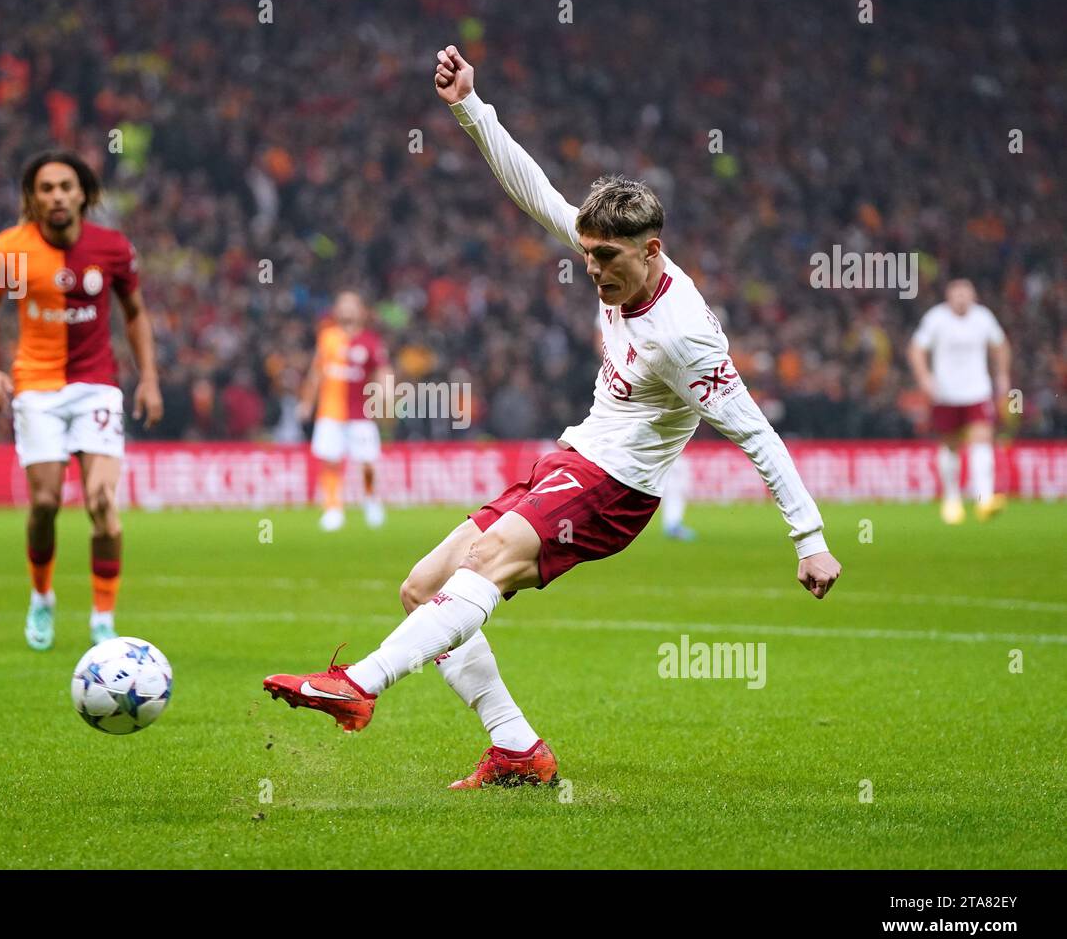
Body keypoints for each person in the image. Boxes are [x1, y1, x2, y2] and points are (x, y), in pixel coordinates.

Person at [263, 46, 842, 789]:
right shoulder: (608, 257)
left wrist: (810, 540)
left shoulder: (686, 334)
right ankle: (516, 749)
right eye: (589, 254)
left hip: (616, 488)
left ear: (651, 251)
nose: (594, 270)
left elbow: (756, 433)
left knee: (481, 568)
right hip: (571, 458)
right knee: (421, 587)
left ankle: (362, 683)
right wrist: (469, 107)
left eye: (607, 259)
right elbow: (532, 188)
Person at [0, 150, 162, 650]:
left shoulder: (113, 247)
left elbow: (136, 313)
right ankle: (42, 597)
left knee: (102, 501)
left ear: (83, 194)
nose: (56, 196)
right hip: (36, 385)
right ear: (32, 198)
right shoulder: (9, 249)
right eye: (45, 188)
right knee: (45, 502)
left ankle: (103, 616)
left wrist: (149, 379)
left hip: (97, 383)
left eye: (65, 187)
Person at [907, 279, 1010, 523]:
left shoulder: (983, 317)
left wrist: (1003, 375)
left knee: (982, 440)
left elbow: (1001, 346)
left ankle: (983, 499)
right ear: (948, 296)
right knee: (950, 445)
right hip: (946, 393)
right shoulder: (936, 318)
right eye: (957, 294)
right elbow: (915, 348)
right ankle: (951, 498)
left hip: (977, 391)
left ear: (973, 296)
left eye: (966, 294)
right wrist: (924, 377)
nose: (962, 298)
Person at [299, 291, 389, 531]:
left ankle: (371, 502)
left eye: (352, 305)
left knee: (367, 461)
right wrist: (308, 402)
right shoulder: (327, 337)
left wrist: (384, 396)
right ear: (337, 310)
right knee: (330, 461)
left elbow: (382, 371)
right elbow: (316, 372)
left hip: (361, 412)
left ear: (361, 310)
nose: (347, 309)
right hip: (330, 412)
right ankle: (333, 508)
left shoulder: (370, 341)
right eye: (343, 304)